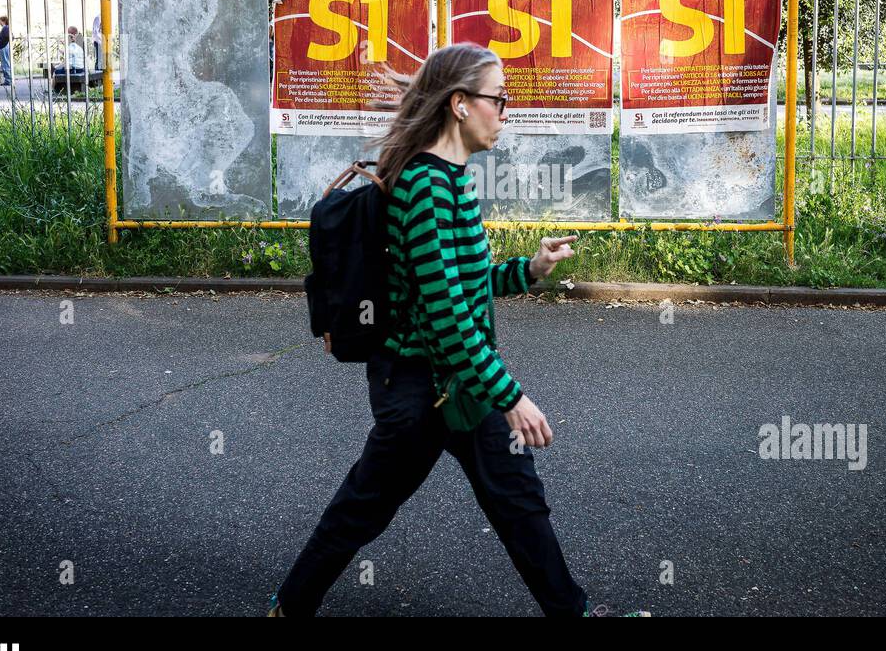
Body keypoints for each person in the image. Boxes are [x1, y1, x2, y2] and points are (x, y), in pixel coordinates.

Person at [271, 43, 643, 618]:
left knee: (519, 502)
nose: (506, 111)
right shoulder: (426, 186)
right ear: (461, 104)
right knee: (363, 507)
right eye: (499, 99)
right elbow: (446, 315)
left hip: (457, 381)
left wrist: (531, 269)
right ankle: (288, 607)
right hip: (421, 388)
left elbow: (465, 281)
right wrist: (510, 396)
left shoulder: (452, 179)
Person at [0, 17, 12, 85]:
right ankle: (8, 79)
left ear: (3, 21)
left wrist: (4, 43)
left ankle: (8, 80)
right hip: (3, 47)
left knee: (5, 63)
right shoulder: (6, 28)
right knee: (5, 62)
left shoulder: (5, 28)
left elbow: (10, 37)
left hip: (3, 47)